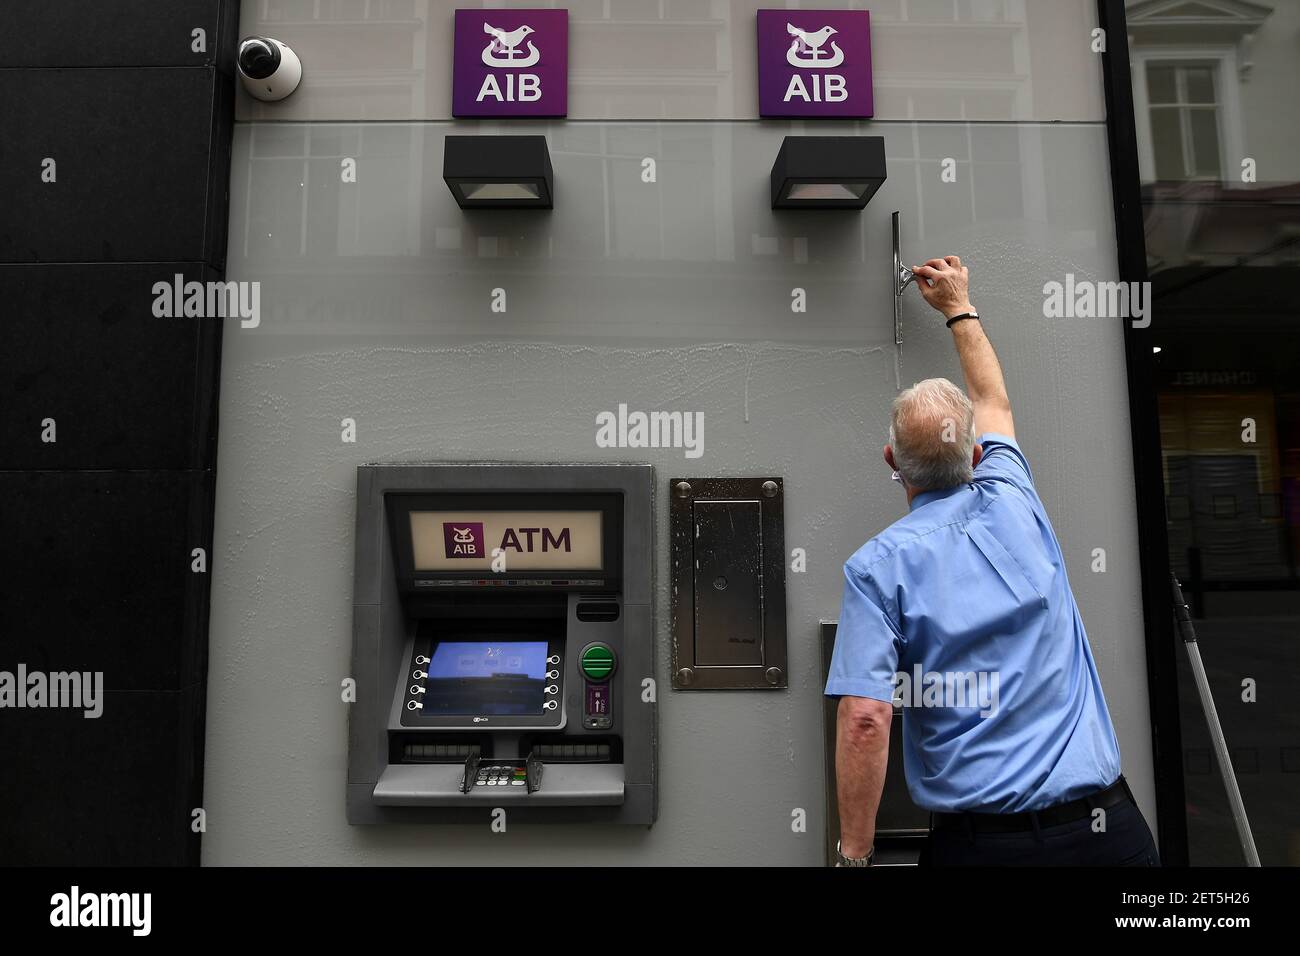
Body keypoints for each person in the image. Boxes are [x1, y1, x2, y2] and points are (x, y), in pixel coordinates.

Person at [826, 256, 1159, 867]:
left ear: (890, 461)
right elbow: (993, 399)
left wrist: (854, 855)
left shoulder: (875, 571)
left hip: (983, 849)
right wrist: (958, 306)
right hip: (1107, 834)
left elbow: (867, 719)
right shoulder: (1015, 501)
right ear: (977, 454)